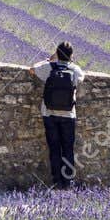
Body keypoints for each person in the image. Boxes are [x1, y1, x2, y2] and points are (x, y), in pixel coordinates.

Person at [32, 42, 84, 188]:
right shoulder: (75, 70)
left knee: (54, 149)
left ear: (57, 53)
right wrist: (70, 61)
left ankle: (57, 183)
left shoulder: (48, 67)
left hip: (49, 114)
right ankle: (68, 183)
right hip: (68, 115)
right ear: (71, 55)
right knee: (68, 150)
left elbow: (32, 69)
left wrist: (49, 59)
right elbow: (81, 78)